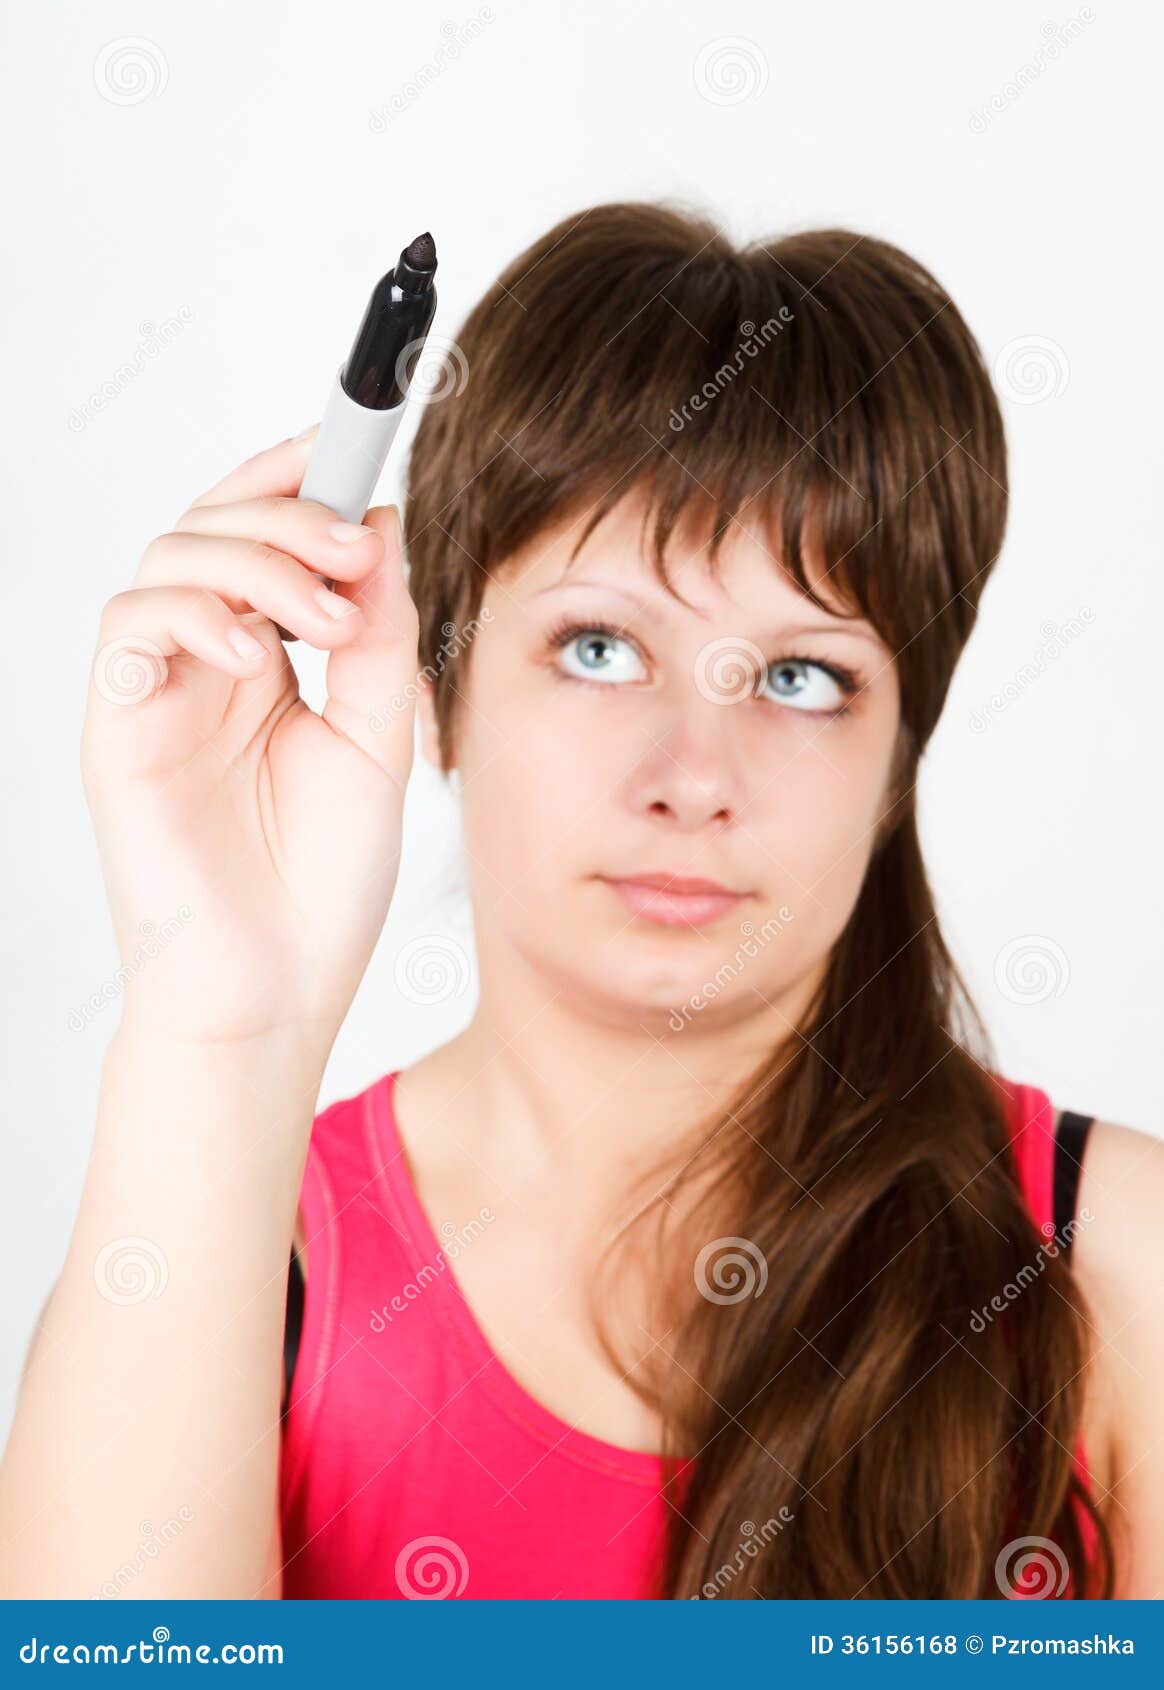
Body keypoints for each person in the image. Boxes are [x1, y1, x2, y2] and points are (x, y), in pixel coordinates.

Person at [1, 202, 1160, 1601]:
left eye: (804, 676)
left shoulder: (1115, 1267)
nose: (694, 775)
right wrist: (214, 1019)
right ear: (436, 687)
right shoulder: (229, 1255)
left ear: (898, 756)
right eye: (601, 646)